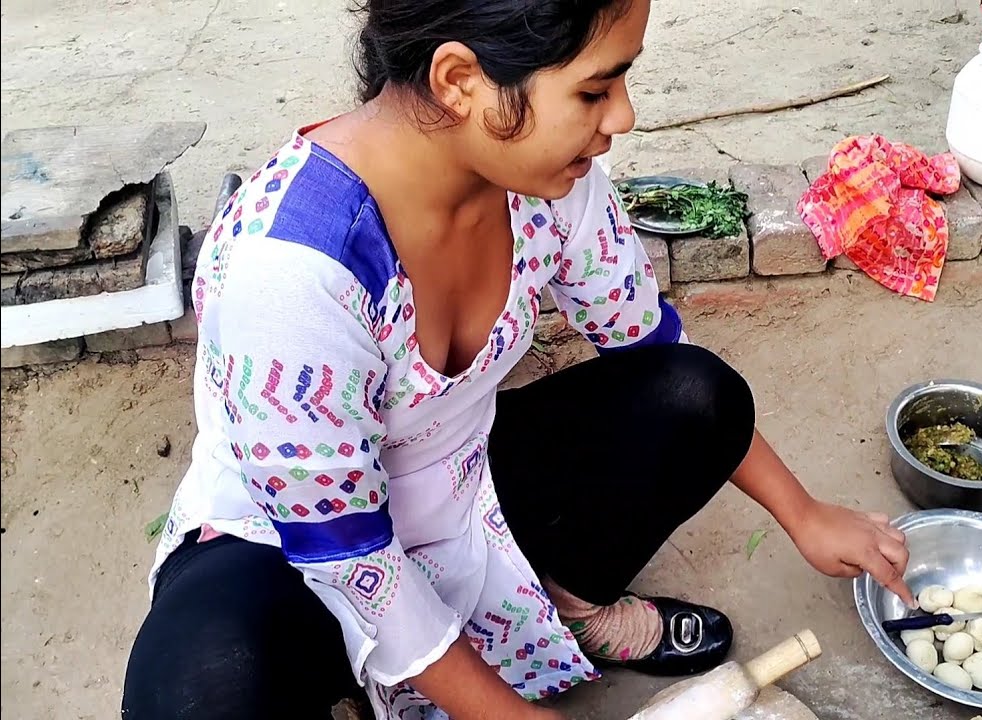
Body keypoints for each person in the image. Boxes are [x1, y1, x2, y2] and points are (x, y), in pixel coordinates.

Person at [120, 0, 914, 718]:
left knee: (697, 397)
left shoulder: (550, 184)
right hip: (288, 545)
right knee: (205, 688)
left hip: (462, 482)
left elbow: (651, 345)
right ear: (460, 80)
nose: (623, 117)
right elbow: (349, 555)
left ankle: (568, 609)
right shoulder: (291, 270)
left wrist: (804, 514)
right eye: (595, 91)